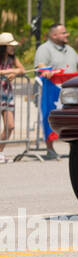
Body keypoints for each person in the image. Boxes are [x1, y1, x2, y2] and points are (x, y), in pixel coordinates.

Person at [33, 24, 78, 157]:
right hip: (52, 91)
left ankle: (74, 149)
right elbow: (41, 66)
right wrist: (46, 71)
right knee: (49, 116)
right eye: (63, 33)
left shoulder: (70, 49)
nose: (66, 35)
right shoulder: (44, 49)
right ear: (54, 35)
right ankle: (50, 149)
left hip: (71, 93)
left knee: (73, 119)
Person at [0, 33, 22, 161]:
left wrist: (12, 72)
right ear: (3, 47)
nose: (13, 47)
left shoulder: (12, 58)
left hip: (6, 95)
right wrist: (9, 72)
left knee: (10, 126)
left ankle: (0, 152)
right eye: (10, 45)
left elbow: (22, 70)